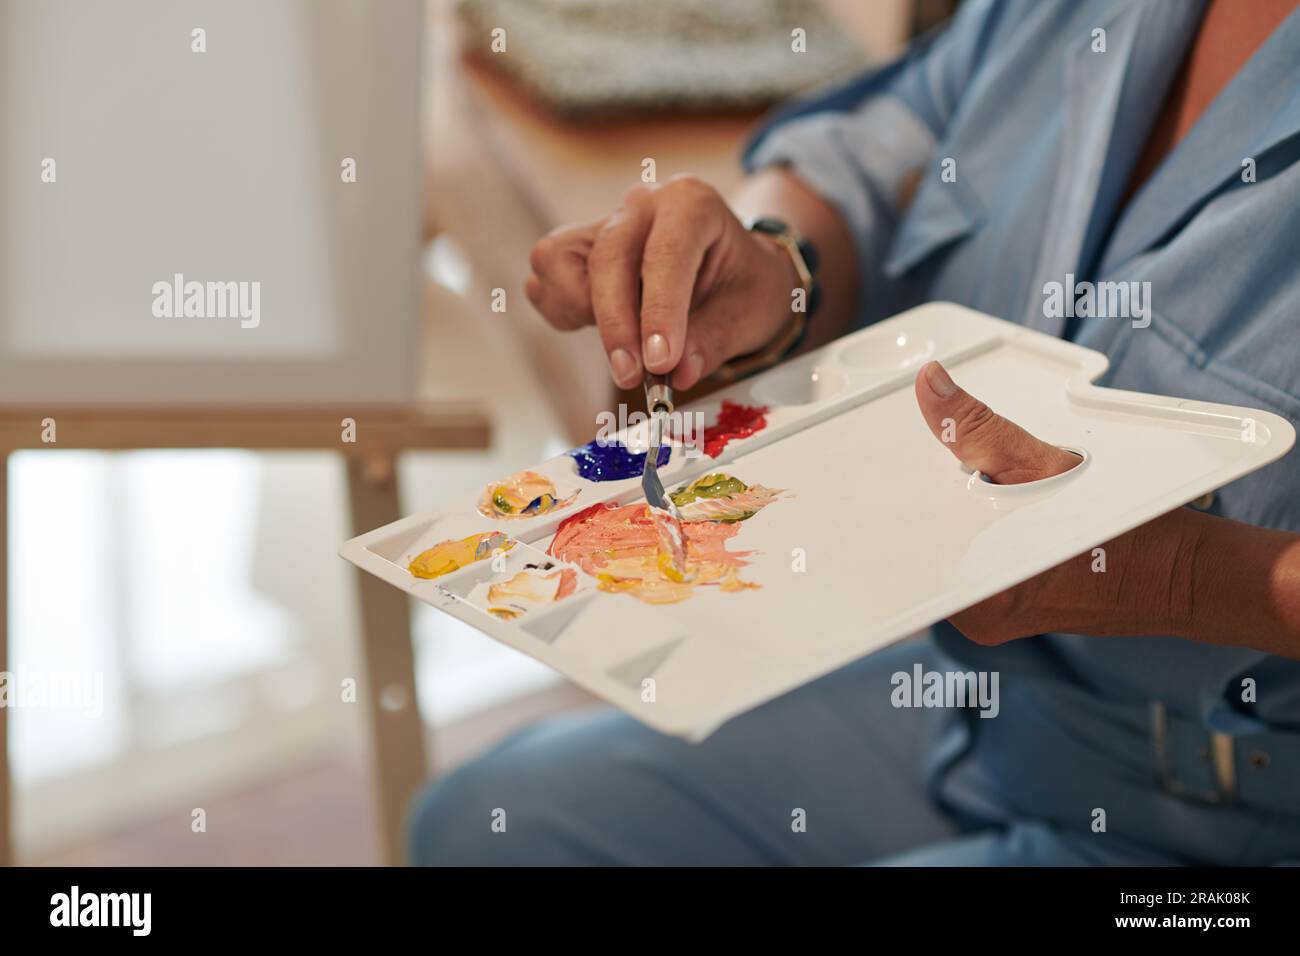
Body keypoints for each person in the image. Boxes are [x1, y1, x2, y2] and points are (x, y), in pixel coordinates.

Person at [410, 0, 1300, 865]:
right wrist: (771, 261)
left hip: (1241, 815)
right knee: (481, 822)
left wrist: (1175, 577)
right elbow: (885, 145)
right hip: (989, 706)